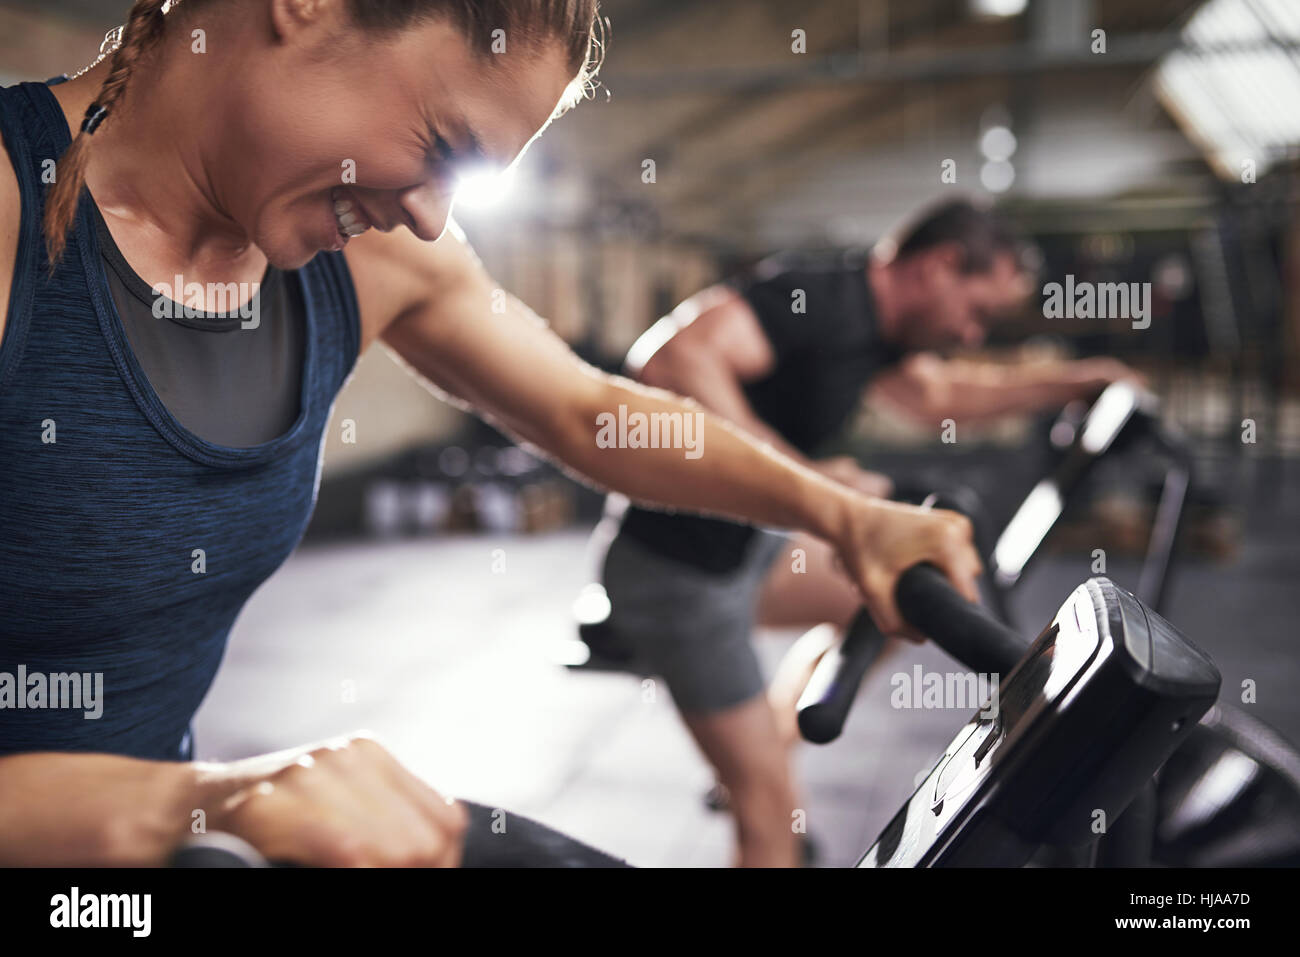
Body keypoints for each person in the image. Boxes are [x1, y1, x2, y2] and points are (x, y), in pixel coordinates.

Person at [0, 1, 981, 866]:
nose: (431, 219)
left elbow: (589, 412)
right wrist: (191, 805)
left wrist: (845, 518)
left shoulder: (368, 257)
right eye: (438, 144)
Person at [585, 198, 1146, 867]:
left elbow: (941, 398)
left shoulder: (878, 332)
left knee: (883, 599)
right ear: (939, 266)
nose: (972, 334)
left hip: (749, 548)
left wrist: (1076, 382)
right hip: (677, 573)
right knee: (772, 813)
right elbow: (674, 358)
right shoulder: (818, 297)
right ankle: (752, 776)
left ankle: (762, 743)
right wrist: (810, 482)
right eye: (979, 311)